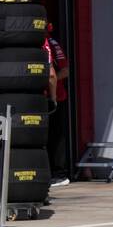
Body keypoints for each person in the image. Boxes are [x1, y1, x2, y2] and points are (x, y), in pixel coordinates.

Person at [44, 22, 70, 186]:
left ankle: (57, 173)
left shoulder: (49, 44)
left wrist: (49, 88)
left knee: (52, 137)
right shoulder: (49, 43)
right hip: (52, 97)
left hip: (54, 98)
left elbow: (63, 72)